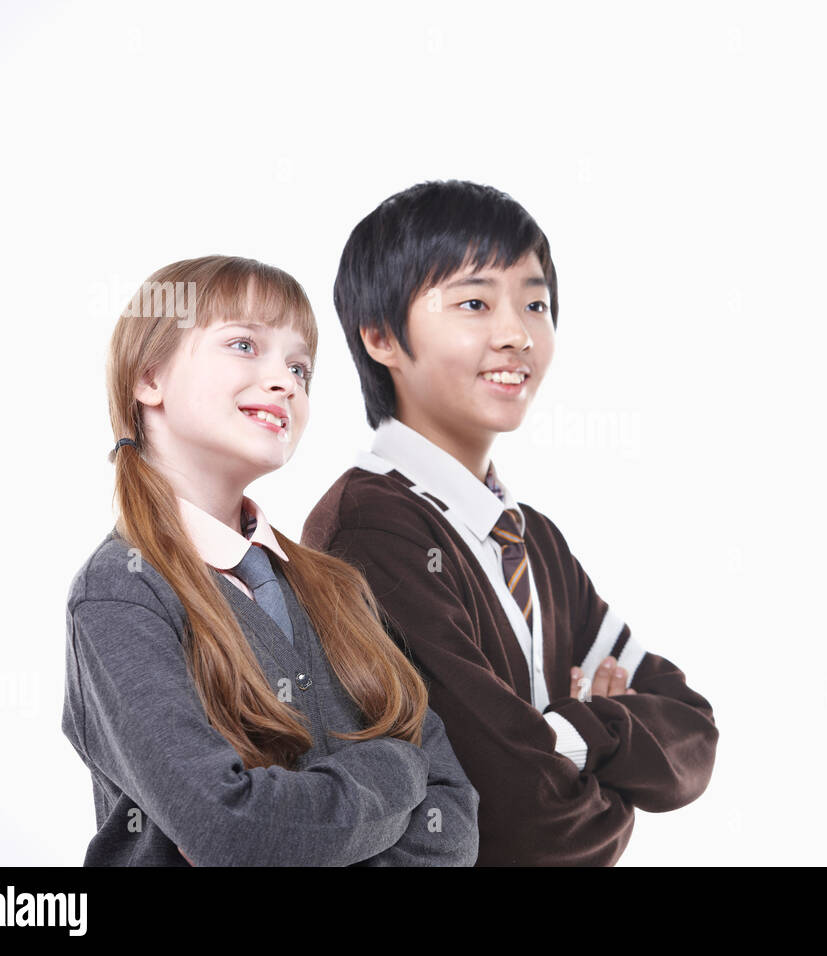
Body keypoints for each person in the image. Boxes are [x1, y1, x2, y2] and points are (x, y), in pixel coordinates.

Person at [302, 180, 719, 865]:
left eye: (535, 303)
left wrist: (575, 735)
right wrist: (615, 790)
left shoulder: (533, 540)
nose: (517, 334)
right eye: (474, 303)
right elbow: (519, 816)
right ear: (379, 335)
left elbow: (692, 735)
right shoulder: (372, 531)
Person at [62, 255, 479, 866]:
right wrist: (396, 767)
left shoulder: (337, 586)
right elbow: (234, 830)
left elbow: (455, 821)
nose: (285, 380)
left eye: (298, 367)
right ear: (148, 378)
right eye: (242, 344)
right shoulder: (122, 593)